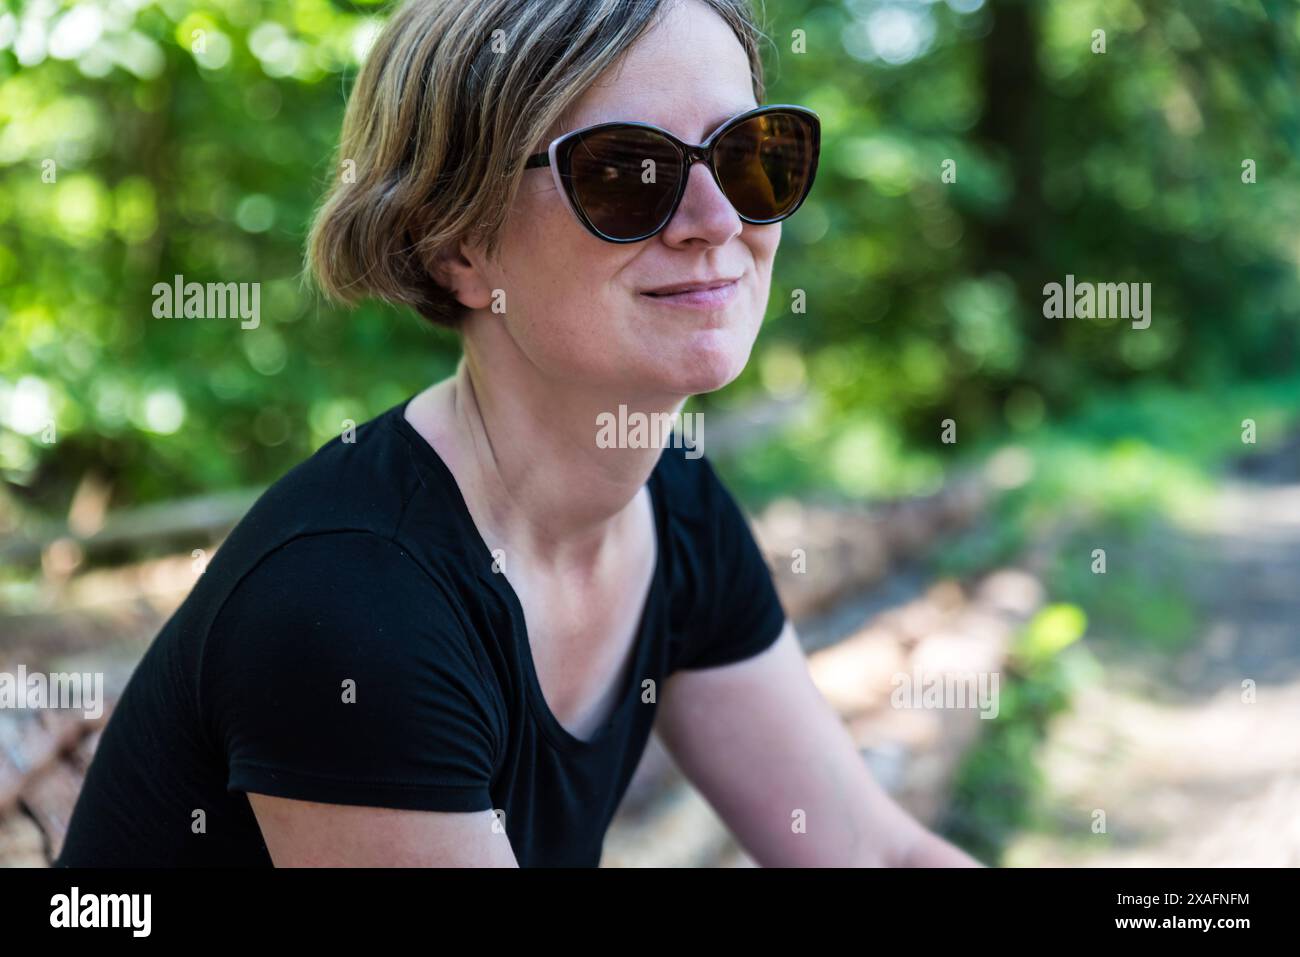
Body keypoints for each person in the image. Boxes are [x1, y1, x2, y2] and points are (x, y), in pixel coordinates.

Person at [56, 0, 981, 867]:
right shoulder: (353, 602)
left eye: (750, 153)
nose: (720, 220)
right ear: (455, 248)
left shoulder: (678, 506)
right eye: (629, 173)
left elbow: (870, 850)